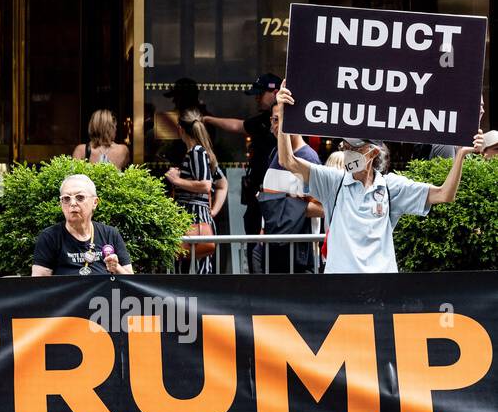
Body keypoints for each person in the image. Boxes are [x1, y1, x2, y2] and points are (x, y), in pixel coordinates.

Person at [276, 80, 482, 274]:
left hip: (382, 289)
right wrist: (284, 115)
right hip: (339, 287)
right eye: (345, 146)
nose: (348, 152)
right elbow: (288, 161)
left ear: (373, 153)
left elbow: (444, 194)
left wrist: (461, 154)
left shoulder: (391, 187)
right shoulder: (333, 181)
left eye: (355, 147)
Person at [203, 73, 280, 254]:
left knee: (267, 253)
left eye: (261, 93)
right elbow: (239, 126)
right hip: (258, 197)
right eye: (273, 121)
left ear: (276, 92)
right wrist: (208, 120)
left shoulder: (289, 124)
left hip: (273, 199)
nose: (257, 98)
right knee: (255, 250)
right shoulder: (261, 121)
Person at [253, 104, 323, 273]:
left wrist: (281, 205)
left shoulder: (309, 158)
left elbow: (323, 208)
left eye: (281, 119)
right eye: (275, 119)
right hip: (269, 246)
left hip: (298, 254)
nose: (276, 126)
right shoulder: (275, 153)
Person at [32, 174, 133, 276]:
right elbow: (39, 286)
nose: (72, 203)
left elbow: (132, 283)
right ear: (61, 204)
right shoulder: (50, 237)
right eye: (66, 198)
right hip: (68, 292)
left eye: (80, 197)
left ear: (95, 202)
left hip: (107, 292)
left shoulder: (110, 234)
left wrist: (116, 268)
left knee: (116, 292)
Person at [165, 110, 227, 273]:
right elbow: (222, 184)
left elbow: (206, 185)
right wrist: (212, 212)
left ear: (180, 129)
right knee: (198, 264)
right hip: (199, 216)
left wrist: (176, 180)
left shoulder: (196, 152)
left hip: (194, 217)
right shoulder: (203, 153)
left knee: (193, 265)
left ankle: (189, 297)